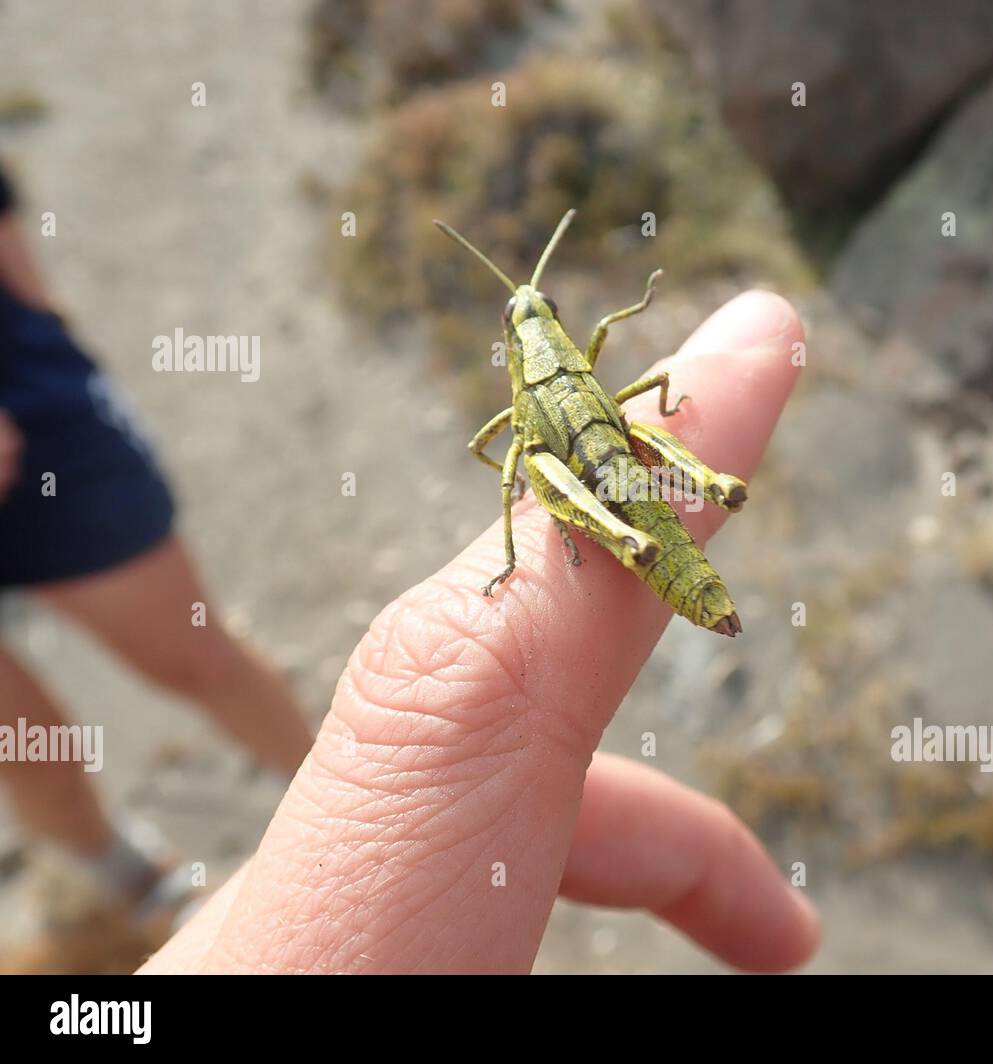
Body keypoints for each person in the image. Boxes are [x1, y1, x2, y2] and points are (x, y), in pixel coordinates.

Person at [141, 289, 821, 973]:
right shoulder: (585, 362)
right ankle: (659, 524)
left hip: (596, 475)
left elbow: (482, 450)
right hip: (613, 449)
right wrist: (657, 395)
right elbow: (650, 368)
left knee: (544, 472)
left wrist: (528, 493)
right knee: (626, 425)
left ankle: (644, 528)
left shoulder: (524, 402)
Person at [0, 162, 314, 917]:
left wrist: (39, 316)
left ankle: (347, 804)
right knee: (24, 746)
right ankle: (138, 890)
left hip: (33, 418)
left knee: (198, 655)